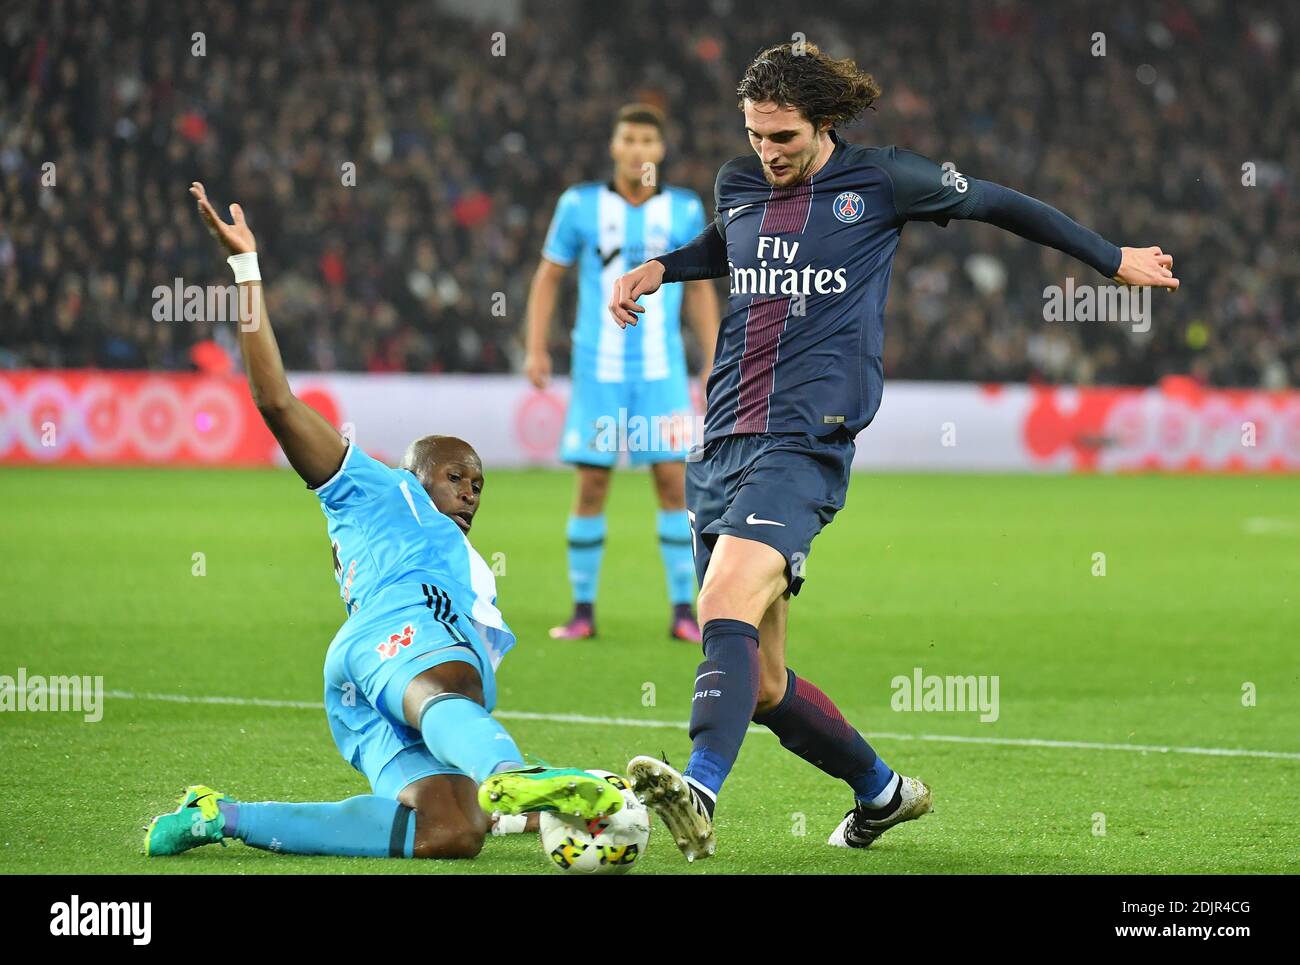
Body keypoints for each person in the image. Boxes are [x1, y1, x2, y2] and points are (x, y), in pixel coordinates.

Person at [609, 43, 1179, 861]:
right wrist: (661, 267)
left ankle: (697, 788)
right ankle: (882, 792)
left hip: (805, 441)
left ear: (825, 123)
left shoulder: (883, 181)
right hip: (724, 435)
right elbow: (728, 246)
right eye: (756, 134)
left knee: (722, 600)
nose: (768, 152)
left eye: (786, 136)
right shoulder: (739, 183)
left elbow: (998, 203)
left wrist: (1110, 258)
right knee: (764, 684)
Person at [145, 183, 623, 860]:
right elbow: (276, 400)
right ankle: (511, 773)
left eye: (479, 483)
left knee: (451, 831)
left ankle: (220, 814)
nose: (469, 490)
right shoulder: (376, 487)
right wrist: (246, 270)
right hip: (396, 641)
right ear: (413, 472)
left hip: (359, 678)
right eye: (453, 474)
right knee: (454, 677)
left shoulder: (466, 567)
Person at [525, 104, 720, 643]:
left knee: (673, 483)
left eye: (647, 141)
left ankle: (685, 611)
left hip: (662, 372)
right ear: (614, 146)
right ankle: (582, 612)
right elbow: (549, 277)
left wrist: (712, 359)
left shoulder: (682, 210)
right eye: (628, 139)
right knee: (590, 483)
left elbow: (701, 286)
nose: (637, 150)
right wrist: (536, 348)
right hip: (598, 371)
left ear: (660, 151)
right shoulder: (579, 205)